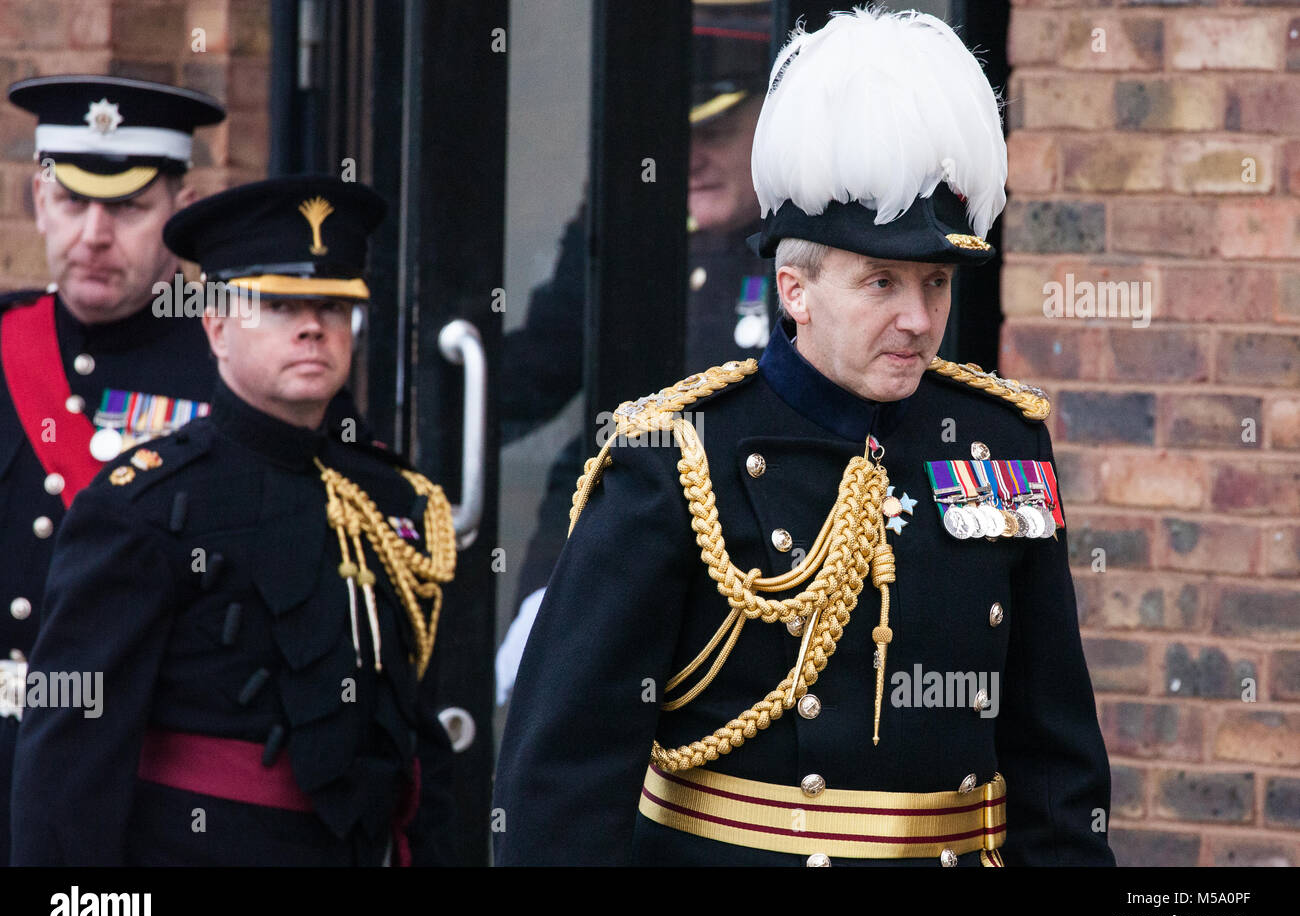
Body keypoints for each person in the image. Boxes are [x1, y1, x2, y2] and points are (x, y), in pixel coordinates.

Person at [494, 8, 1115, 866]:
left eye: (935, 283)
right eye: (881, 282)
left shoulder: (999, 442)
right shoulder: (674, 459)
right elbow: (563, 779)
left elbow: (1056, 762)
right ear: (795, 289)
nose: (917, 319)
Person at [10, 175, 458, 866]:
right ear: (215, 324)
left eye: (333, 308)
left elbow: (417, 751)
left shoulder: (393, 503)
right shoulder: (141, 508)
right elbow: (71, 762)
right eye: (279, 305)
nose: (313, 326)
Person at [496, 1, 775, 704]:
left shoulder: (802, 252)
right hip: (595, 534)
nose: (693, 157)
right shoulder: (626, 222)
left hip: (748, 562)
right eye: (679, 135)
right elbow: (545, 365)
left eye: (715, 129)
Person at [0, 74, 225, 865]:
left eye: (127, 207)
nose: (94, 233)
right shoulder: (3, 345)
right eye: (71, 201)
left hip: (140, 785)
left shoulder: (229, 374)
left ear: (182, 209)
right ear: (37, 198)